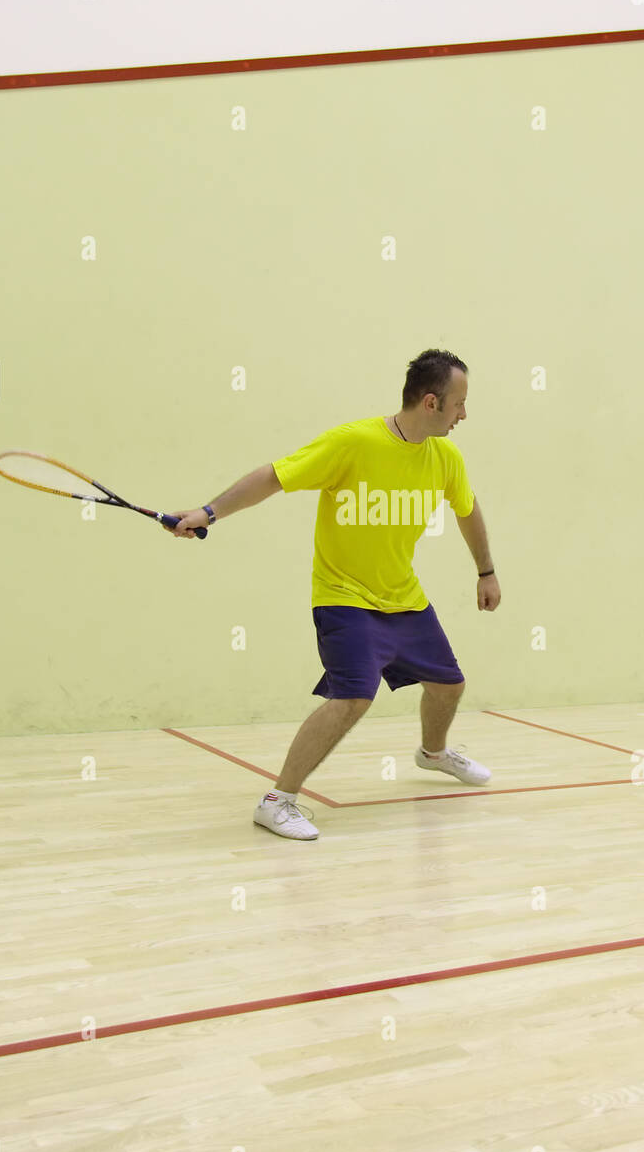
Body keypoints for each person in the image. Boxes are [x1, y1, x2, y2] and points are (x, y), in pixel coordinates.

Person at [167, 348, 500, 840]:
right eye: (459, 404)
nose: (464, 415)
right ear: (431, 403)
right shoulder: (353, 443)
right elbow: (273, 477)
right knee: (352, 698)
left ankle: (432, 754)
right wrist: (208, 513)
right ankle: (277, 800)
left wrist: (486, 571)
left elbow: (467, 511)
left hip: (403, 598)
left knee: (449, 685)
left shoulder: (445, 457)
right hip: (344, 596)